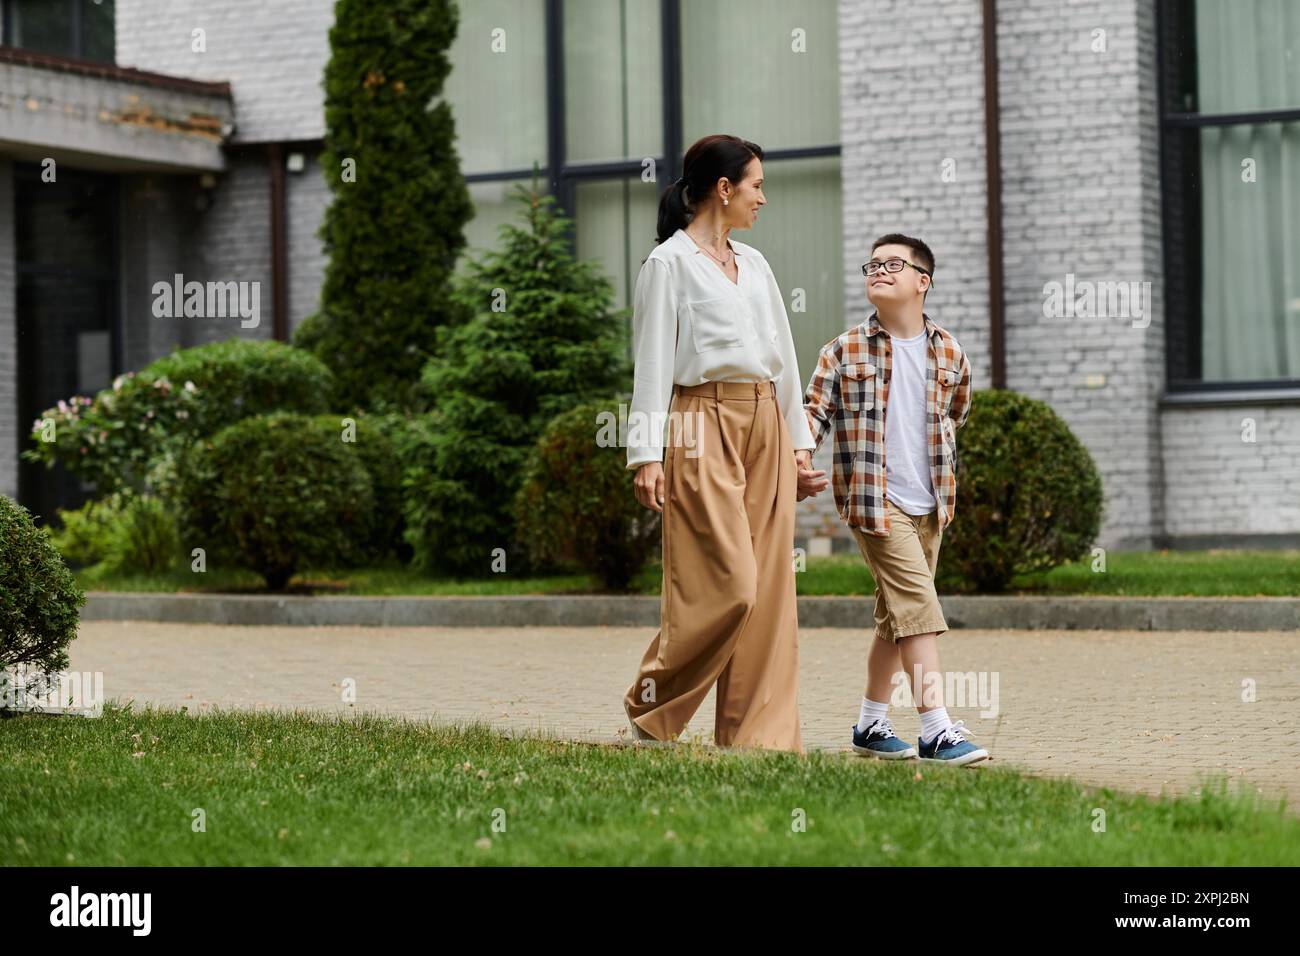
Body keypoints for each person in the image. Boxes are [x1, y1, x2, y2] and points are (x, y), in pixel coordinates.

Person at [622, 133, 827, 752]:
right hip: (699, 422)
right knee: (730, 584)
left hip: (765, 420)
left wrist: (800, 443)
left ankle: (755, 737)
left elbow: (784, 360)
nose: (763, 197)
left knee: (768, 592)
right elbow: (652, 362)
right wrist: (646, 454)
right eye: (757, 185)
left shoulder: (757, 265)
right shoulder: (668, 264)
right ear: (723, 188)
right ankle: (652, 705)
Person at [803, 233, 989, 765]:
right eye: (873, 264)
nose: (879, 271)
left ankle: (869, 725)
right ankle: (935, 728)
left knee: (896, 620)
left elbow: (957, 413)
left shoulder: (949, 351)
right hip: (873, 503)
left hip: (931, 503)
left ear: (921, 282)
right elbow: (813, 414)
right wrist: (801, 459)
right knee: (920, 612)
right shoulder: (842, 350)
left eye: (893, 264)